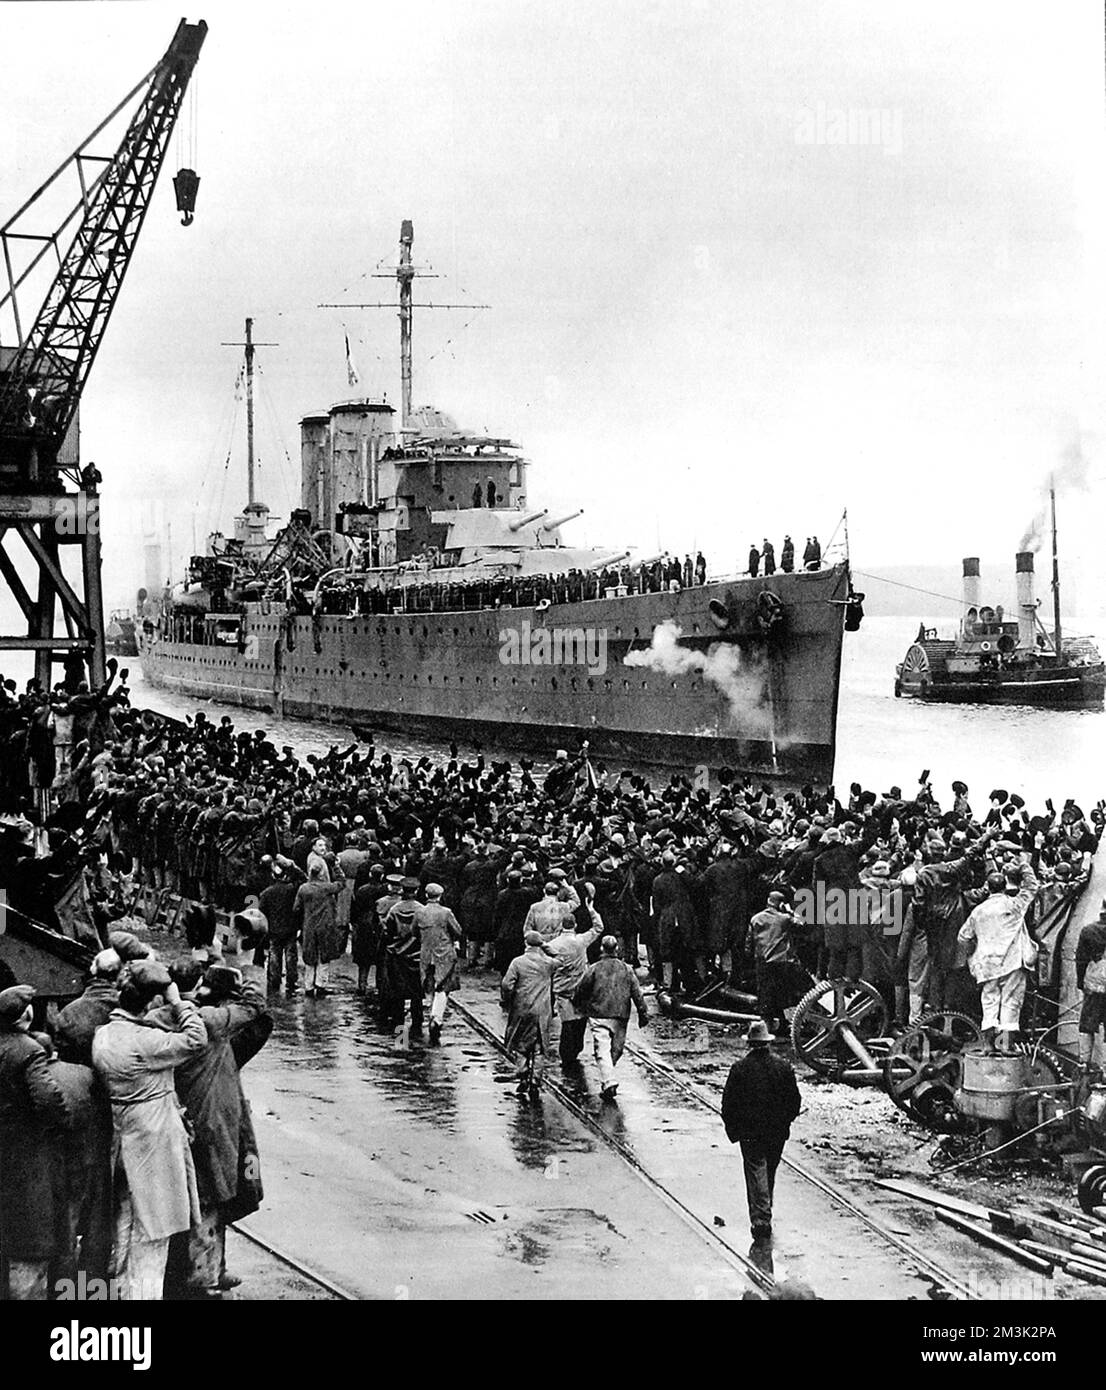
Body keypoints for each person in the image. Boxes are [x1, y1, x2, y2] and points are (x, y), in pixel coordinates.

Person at [91, 959, 207, 1300]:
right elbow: (196, 1038)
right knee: (153, 1238)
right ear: (149, 1002)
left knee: (123, 1230)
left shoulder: (104, 1036)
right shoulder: (148, 1042)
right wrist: (177, 1001)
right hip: (154, 1145)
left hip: (122, 1141)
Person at [0, 984, 70, 1299]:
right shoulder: (29, 1050)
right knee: (28, 1238)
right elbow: (49, 1101)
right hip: (25, 1154)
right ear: (25, 1015)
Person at [721, 1018, 802, 1244]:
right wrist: (786, 1121)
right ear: (768, 1043)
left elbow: (728, 1103)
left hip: (750, 1131)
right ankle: (765, 1210)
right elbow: (794, 1101)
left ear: (749, 1044)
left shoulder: (739, 1069)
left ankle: (760, 1219)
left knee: (755, 1171)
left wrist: (734, 1129)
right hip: (776, 1131)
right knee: (769, 1171)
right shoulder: (783, 1067)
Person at [957, 853, 1039, 1054]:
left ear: (989, 888)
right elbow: (1031, 887)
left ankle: (987, 1046)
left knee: (989, 1002)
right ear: (1004, 888)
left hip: (986, 964)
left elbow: (963, 937)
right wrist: (1023, 865)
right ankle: (1005, 1046)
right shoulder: (1015, 905)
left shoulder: (979, 911)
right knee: (1010, 1003)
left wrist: (973, 953)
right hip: (1011, 961)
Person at [572, 936, 649, 1099]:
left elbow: (581, 988)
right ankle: (608, 1080)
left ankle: (608, 1078)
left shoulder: (594, 968)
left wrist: (577, 1003)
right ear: (616, 949)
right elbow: (637, 992)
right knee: (616, 1049)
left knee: (602, 1049)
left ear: (602, 949)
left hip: (598, 1013)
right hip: (620, 1015)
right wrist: (643, 1013)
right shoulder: (627, 969)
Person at [545, 889, 603, 1066]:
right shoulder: (581, 941)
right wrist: (591, 910)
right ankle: (576, 1050)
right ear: (575, 925)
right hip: (581, 987)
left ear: (562, 925)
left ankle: (566, 1054)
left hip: (562, 989)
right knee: (580, 1020)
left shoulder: (553, 944)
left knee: (567, 1022)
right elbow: (598, 928)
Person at [500, 930, 556, 1094]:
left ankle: (523, 1073)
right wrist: (546, 947)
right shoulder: (548, 963)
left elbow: (506, 984)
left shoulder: (517, 962)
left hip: (521, 1008)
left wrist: (507, 999)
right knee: (539, 1047)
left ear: (525, 944)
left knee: (521, 1044)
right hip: (542, 1010)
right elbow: (562, 960)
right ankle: (535, 1081)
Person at [417, 883, 462, 1045]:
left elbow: (415, 932)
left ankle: (431, 1011)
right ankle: (436, 1017)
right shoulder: (446, 912)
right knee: (443, 986)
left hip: (426, 953)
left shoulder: (419, 911)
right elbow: (458, 930)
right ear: (440, 896)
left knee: (428, 984)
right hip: (444, 953)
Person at [293, 859, 344, 997]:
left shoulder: (304, 888)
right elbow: (341, 883)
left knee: (309, 957)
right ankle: (321, 985)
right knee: (324, 956)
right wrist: (336, 866)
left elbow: (296, 908)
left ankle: (308, 986)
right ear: (321, 873)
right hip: (325, 926)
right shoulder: (327, 888)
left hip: (309, 926)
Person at [1075, 903, 1106, 1067]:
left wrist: (1081, 983)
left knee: (1087, 1025)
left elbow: (1080, 960)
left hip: (1095, 985)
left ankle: (1084, 1063)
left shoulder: (1088, 931)